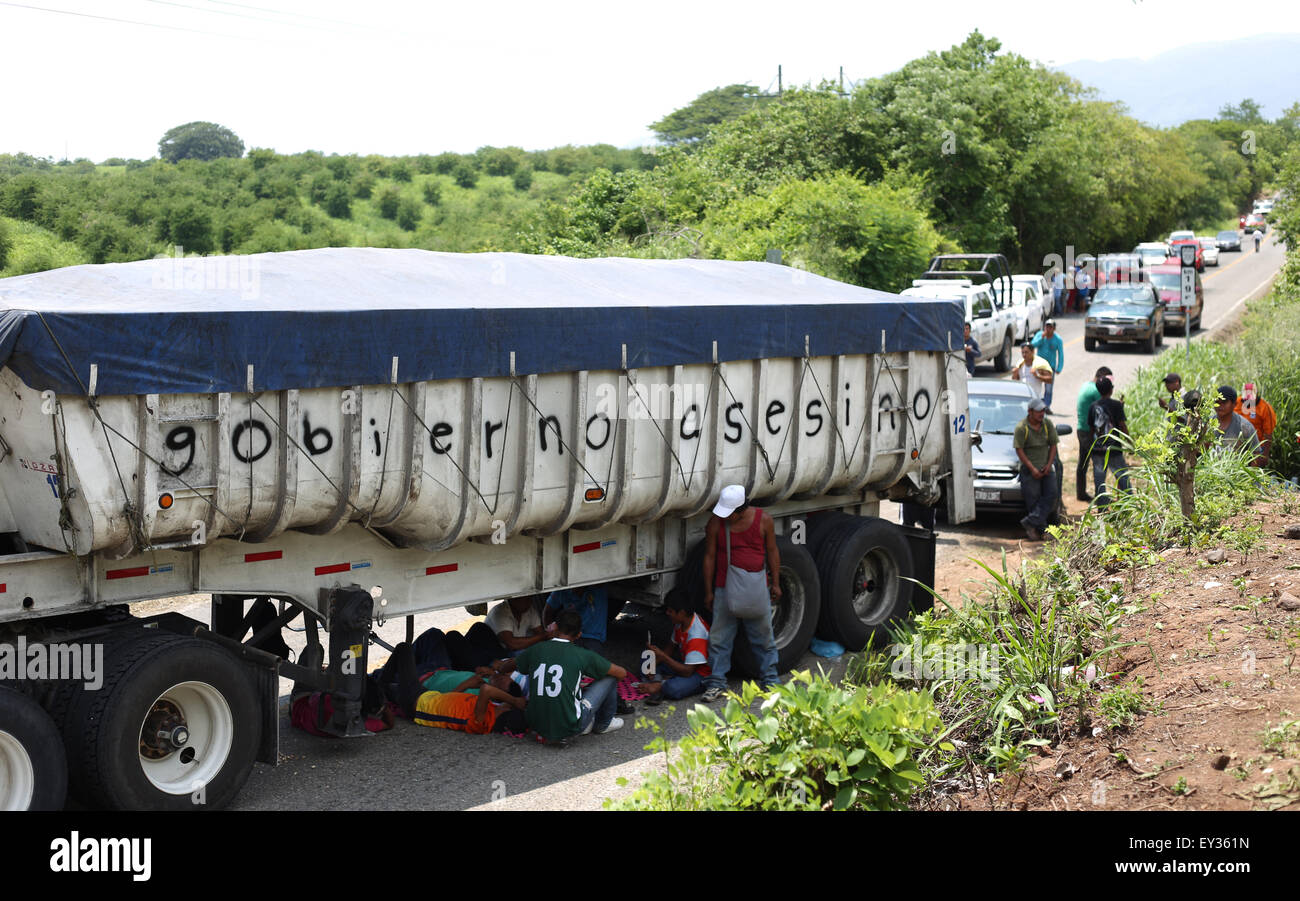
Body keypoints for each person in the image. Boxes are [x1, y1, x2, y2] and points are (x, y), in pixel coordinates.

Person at [701, 484, 781, 701]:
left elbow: (772, 551)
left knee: (763, 637)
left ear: (741, 510)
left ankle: (771, 681)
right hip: (724, 589)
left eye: (730, 514)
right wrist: (709, 592)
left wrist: (775, 583)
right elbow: (709, 557)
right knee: (719, 639)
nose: (725, 517)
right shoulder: (715, 525)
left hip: (756, 589)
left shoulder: (764, 521)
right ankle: (716, 682)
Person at [504, 608, 627, 743]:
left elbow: (508, 666)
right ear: (579, 635)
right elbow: (622, 673)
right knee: (610, 677)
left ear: (554, 628)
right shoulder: (582, 654)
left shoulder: (536, 649)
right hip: (570, 726)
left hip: (535, 725)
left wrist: (498, 666)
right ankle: (603, 724)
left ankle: (582, 718)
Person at [378, 641, 527, 735]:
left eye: (507, 707)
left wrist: (514, 701)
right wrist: (467, 684)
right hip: (425, 698)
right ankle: (377, 690)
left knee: (404, 648)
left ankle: (377, 686)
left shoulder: (481, 722)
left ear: (505, 711)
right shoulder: (488, 710)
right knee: (385, 690)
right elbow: (450, 698)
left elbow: (487, 690)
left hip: (417, 701)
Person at [636, 590, 710, 704]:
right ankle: (659, 681)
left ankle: (660, 685)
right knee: (647, 660)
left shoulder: (697, 635)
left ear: (682, 613)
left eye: (670, 611)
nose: (667, 613)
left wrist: (663, 657)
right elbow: (670, 647)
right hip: (685, 663)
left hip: (700, 674)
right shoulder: (681, 622)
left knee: (673, 689)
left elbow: (687, 672)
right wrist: (655, 662)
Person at [1013, 398, 1059, 541]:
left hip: (1046, 468)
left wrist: (1048, 464)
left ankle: (1029, 522)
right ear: (1030, 412)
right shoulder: (1022, 428)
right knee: (1033, 501)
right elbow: (1019, 450)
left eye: (1043, 411)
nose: (1041, 414)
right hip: (1029, 470)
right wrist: (1032, 469)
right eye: (1038, 411)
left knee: (1052, 495)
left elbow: (1053, 445)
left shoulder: (1047, 424)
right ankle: (1042, 530)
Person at [1088, 376, 1130, 506]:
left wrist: (1091, 447)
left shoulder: (1093, 407)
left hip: (1098, 449)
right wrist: (1129, 442)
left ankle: (1102, 508)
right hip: (1114, 449)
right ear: (1111, 390)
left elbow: (1091, 429)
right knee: (1122, 477)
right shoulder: (1117, 405)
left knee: (1099, 481)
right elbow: (1122, 425)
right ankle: (1129, 505)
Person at [1074, 366, 1113, 502]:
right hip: (1089, 431)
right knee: (1099, 463)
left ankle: (1081, 493)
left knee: (1083, 462)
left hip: (1081, 428)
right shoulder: (1096, 390)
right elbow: (1106, 407)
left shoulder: (1086, 385)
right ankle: (1100, 497)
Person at [543, 584, 609, 654]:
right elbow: (547, 612)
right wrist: (550, 634)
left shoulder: (597, 589)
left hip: (593, 638)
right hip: (570, 635)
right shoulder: (562, 591)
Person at [1213, 385, 1263, 465]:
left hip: (1235, 475)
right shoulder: (1207, 424)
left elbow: (1256, 454)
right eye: (1217, 402)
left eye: (1224, 402)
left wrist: (1250, 476)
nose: (1220, 406)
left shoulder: (1245, 426)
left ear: (1234, 404)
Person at [1235, 383, 1277, 465]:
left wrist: (1265, 454)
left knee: (1253, 472)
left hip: (1258, 446)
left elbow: (1268, 433)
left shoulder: (1265, 407)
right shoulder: (1236, 403)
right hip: (1238, 445)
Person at [1030, 320, 1064, 409]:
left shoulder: (1058, 339)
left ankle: (1046, 406)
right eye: (1046, 327)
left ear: (1054, 329)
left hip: (1050, 367)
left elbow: (1061, 354)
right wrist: (1041, 338)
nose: (1048, 329)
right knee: (1036, 385)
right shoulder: (1039, 335)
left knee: (1049, 388)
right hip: (1038, 366)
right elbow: (1032, 345)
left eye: (1050, 327)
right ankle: (1035, 404)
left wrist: (1059, 367)